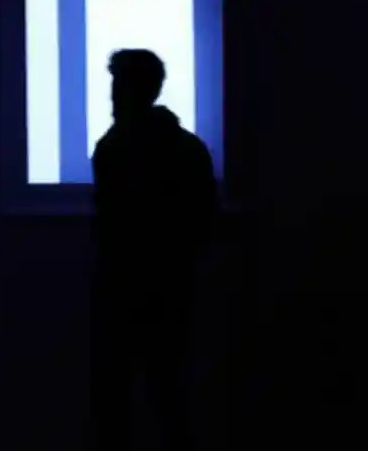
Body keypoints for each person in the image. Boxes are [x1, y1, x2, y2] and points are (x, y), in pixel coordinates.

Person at [89, 49, 218, 451]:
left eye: (118, 84)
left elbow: (112, 221)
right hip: (171, 285)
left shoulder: (114, 148)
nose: (113, 94)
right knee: (169, 393)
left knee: (120, 394)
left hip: (126, 287)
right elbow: (204, 221)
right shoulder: (186, 147)